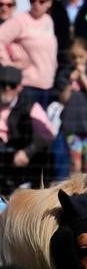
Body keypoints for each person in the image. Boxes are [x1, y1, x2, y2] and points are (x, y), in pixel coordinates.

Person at [54, 37, 87, 185]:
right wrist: (70, 82)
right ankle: (76, 197)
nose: (77, 60)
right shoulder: (64, 74)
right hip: (71, 128)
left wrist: (83, 77)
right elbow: (63, 99)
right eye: (73, 57)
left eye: (81, 56)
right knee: (75, 166)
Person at [0, 0, 57, 109]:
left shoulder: (48, 20)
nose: (36, 4)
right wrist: (8, 65)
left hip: (48, 85)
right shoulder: (20, 20)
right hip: (28, 85)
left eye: (41, 1)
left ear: (49, 3)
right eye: (33, 0)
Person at [0, 64, 54, 192]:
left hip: (24, 160)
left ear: (19, 87)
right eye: (2, 84)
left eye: (12, 85)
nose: (7, 89)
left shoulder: (30, 106)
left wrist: (27, 152)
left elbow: (48, 134)